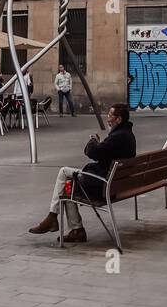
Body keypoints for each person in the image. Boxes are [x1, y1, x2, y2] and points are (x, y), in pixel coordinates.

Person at [28, 103, 135, 244]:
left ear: (118, 119)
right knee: (68, 182)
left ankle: (63, 222)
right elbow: (105, 153)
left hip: (103, 184)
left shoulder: (118, 137)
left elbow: (93, 152)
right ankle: (59, 221)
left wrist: (93, 141)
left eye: (110, 115)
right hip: (117, 182)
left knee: (65, 176)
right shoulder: (128, 135)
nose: (107, 118)